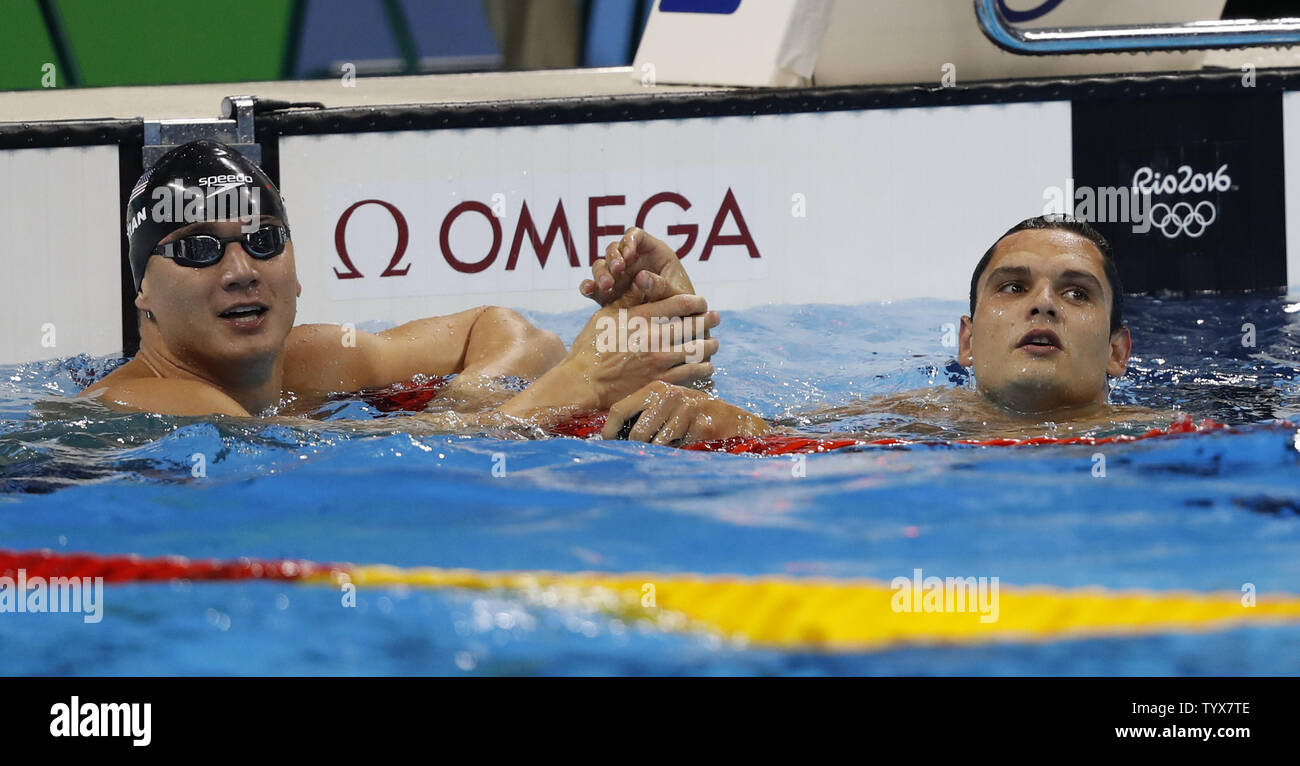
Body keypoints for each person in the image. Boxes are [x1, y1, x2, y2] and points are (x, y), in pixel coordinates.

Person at [80, 140, 718, 431]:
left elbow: (500, 327)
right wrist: (585, 378)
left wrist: (656, 327)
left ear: (295, 265)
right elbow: (376, 467)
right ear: (142, 293)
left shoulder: (314, 359)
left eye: (264, 239)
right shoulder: (151, 402)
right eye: (197, 250)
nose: (241, 268)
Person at [599, 216, 1158, 443]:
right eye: (1012, 287)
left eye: (1076, 292)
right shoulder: (918, 419)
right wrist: (679, 375)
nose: (1043, 306)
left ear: (1117, 351)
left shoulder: (1164, 439)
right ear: (966, 341)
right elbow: (758, 434)